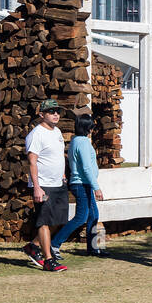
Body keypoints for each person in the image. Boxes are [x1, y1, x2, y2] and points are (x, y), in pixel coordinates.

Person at [50, 112, 106, 258]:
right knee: (81, 217)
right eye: (91, 127)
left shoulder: (76, 141)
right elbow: (86, 167)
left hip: (83, 183)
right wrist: (96, 187)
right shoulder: (83, 143)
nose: (93, 130)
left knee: (94, 215)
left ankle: (94, 248)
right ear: (87, 128)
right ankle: (54, 244)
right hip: (82, 184)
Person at [23, 98, 70, 272]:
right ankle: (48, 260)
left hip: (59, 183)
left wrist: (63, 174)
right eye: (51, 112)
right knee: (44, 221)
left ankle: (33, 247)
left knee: (59, 220)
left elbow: (57, 157)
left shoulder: (57, 132)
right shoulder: (36, 134)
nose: (56, 114)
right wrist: (36, 186)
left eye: (57, 111)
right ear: (42, 115)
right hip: (43, 185)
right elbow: (32, 162)